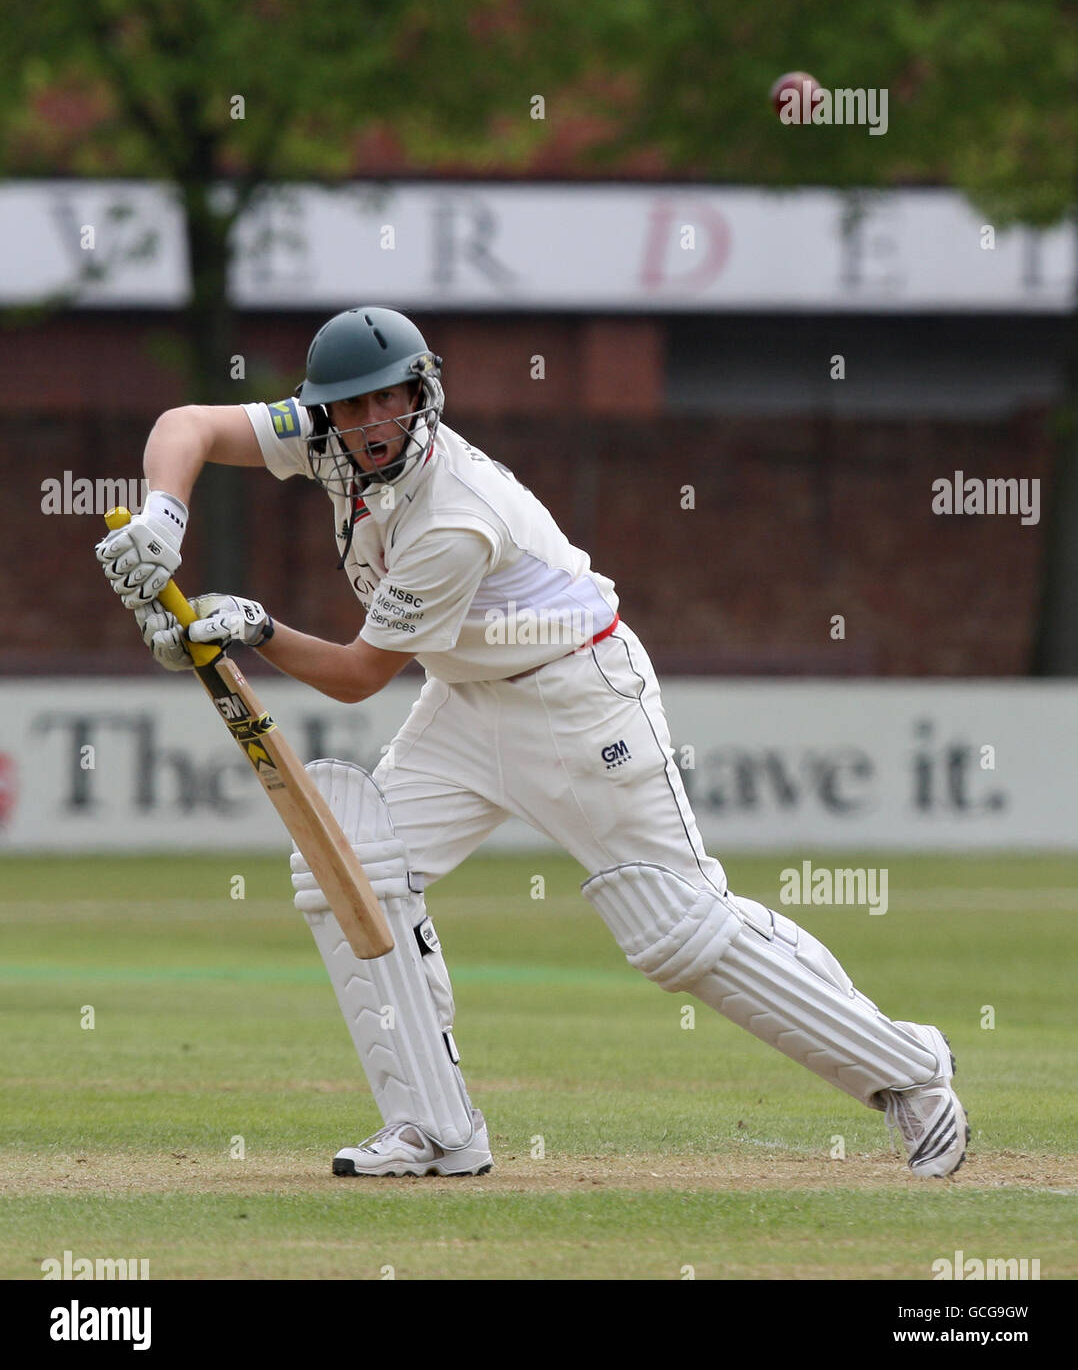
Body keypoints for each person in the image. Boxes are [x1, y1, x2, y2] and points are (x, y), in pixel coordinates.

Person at [96, 305, 969, 1179]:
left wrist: (250, 626)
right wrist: (164, 519)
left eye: (387, 401)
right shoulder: (327, 440)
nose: (368, 425)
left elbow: (363, 674)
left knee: (675, 930)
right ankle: (434, 1129)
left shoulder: (454, 517)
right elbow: (190, 425)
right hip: (468, 699)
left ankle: (912, 1073)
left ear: (421, 393)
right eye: (351, 407)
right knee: (344, 863)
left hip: (579, 700)